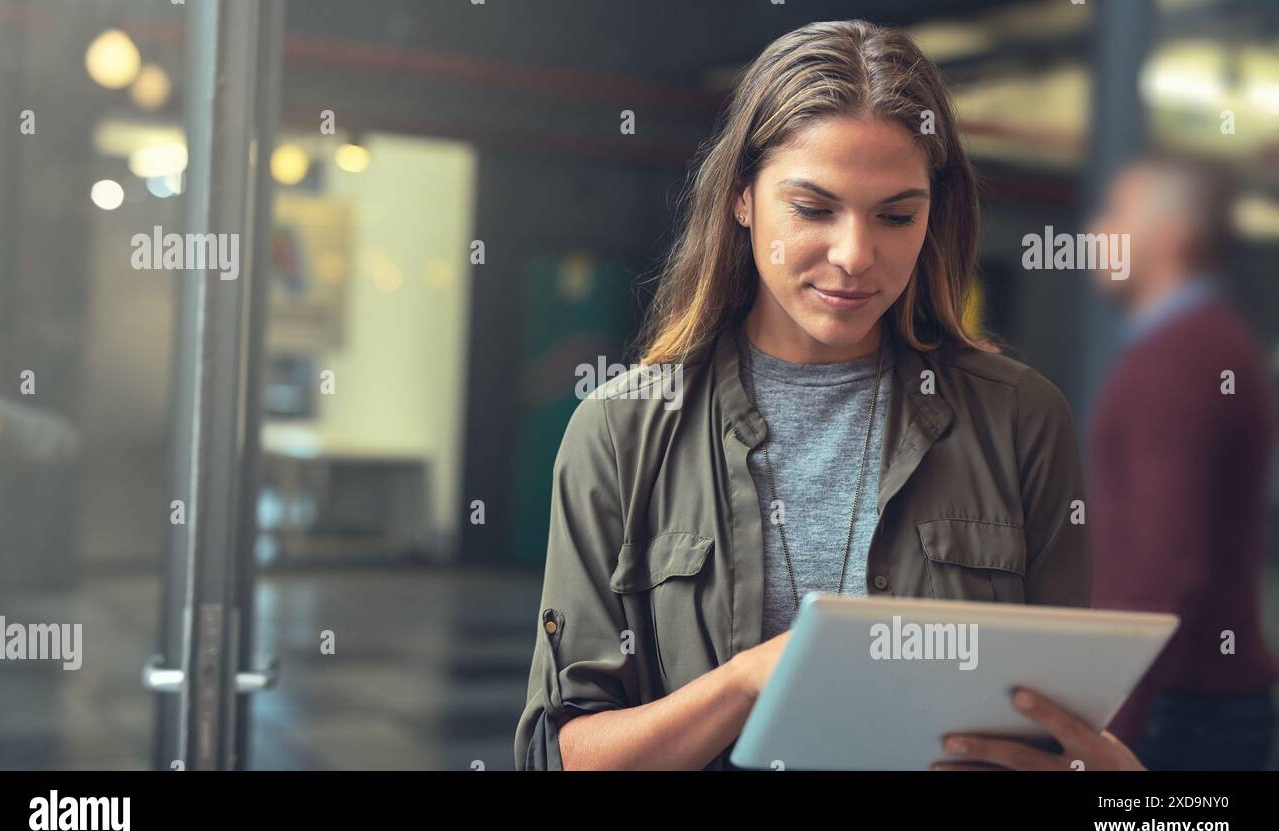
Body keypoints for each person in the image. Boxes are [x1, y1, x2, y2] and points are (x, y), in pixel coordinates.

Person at [515, 19, 1141, 771]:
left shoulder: (1021, 421)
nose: (855, 256)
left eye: (896, 216)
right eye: (814, 208)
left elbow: (1056, 725)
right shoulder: (618, 433)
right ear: (742, 197)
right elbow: (561, 753)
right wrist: (748, 682)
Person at [1086, 156, 1279, 770]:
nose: (1094, 235)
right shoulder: (1203, 343)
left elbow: (1168, 560)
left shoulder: (1184, 359)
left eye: (1115, 215)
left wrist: (1113, 719)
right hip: (1196, 703)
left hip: (1178, 713)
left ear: (1168, 236)